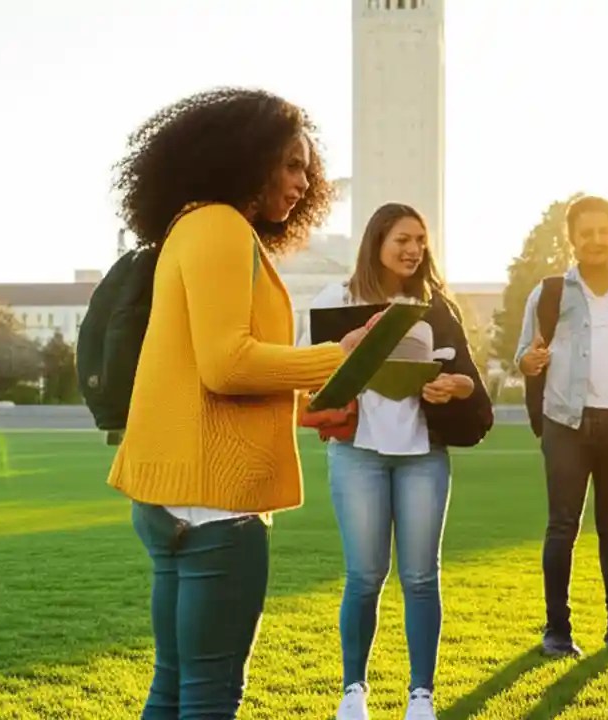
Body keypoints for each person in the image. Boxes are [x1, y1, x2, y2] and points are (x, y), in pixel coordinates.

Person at [106, 87, 372, 720]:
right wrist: (341, 356)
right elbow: (227, 363)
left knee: (172, 688)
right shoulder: (221, 227)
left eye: (308, 167)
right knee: (209, 696)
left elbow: (215, 365)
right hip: (215, 501)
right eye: (291, 164)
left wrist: (310, 394)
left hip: (174, 494)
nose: (305, 182)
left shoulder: (194, 225)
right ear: (246, 157)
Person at [301, 203, 492, 720]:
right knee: (364, 576)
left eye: (420, 241)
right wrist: (343, 352)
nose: (413, 250)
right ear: (377, 242)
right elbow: (304, 375)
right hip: (357, 454)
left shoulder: (435, 306)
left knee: (421, 578)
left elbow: (471, 380)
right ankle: (353, 692)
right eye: (402, 240)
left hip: (422, 457)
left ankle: (421, 696)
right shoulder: (338, 299)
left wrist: (457, 386)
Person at [515, 195, 608, 660]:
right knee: (562, 525)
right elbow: (522, 356)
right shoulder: (550, 293)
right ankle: (557, 630)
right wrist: (531, 360)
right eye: (586, 233)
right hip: (567, 422)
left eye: (604, 232)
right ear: (572, 238)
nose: (596, 240)